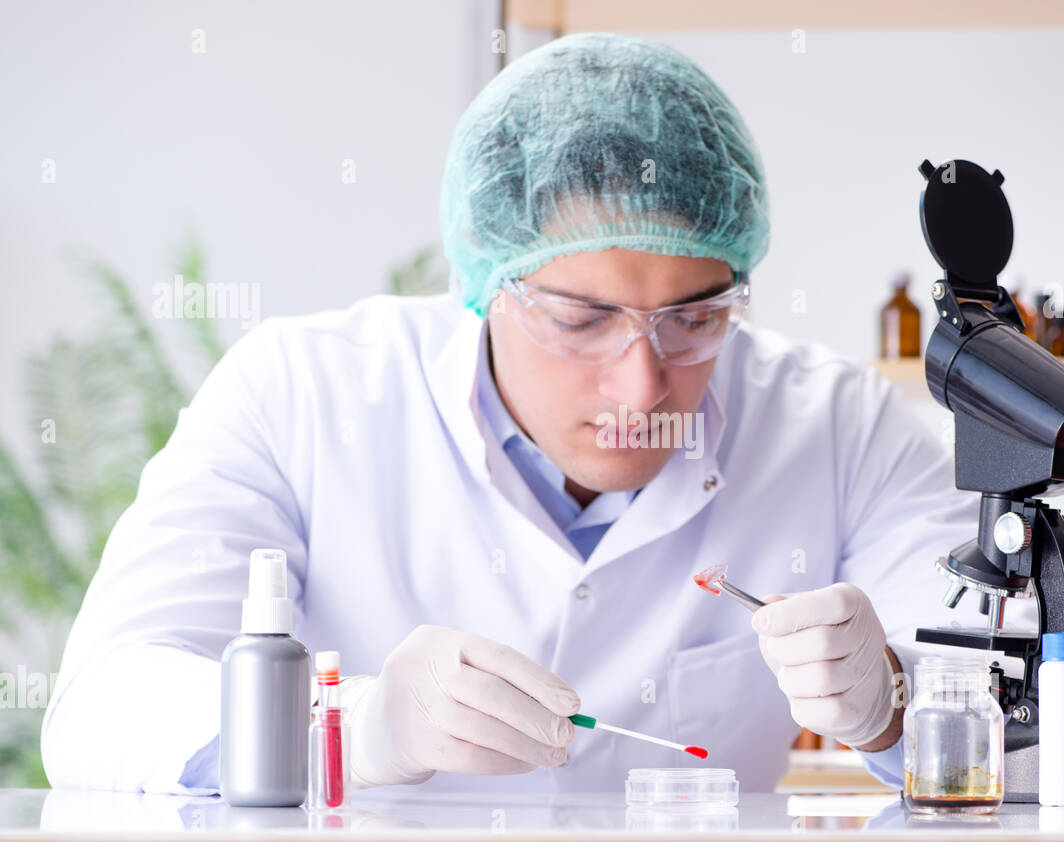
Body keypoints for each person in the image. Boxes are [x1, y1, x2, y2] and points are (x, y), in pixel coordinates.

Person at [41, 32, 999, 796]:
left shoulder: (837, 424)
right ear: (487, 279)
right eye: (583, 319)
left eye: (696, 319)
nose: (641, 386)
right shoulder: (300, 393)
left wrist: (894, 703)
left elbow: (1029, 712)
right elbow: (100, 708)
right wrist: (356, 726)